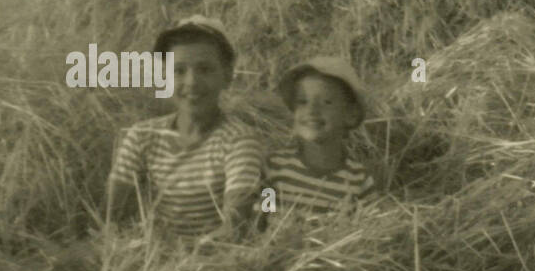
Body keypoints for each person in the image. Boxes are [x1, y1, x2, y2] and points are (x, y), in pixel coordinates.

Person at [105, 16, 263, 241]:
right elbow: (112, 216)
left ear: (227, 76)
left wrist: (183, 258)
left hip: (214, 260)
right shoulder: (142, 135)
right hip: (152, 255)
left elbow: (235, 226)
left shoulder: (238, 140)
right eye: (178, 71)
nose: (191, 82)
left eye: (205, 69)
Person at [266, 56, 375, 219]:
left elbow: (372, 231)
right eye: (302, 102)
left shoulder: (358, 180)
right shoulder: (275, 168)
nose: (312, 110)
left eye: (326, 102)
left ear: (350, 115)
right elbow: (257, 226)